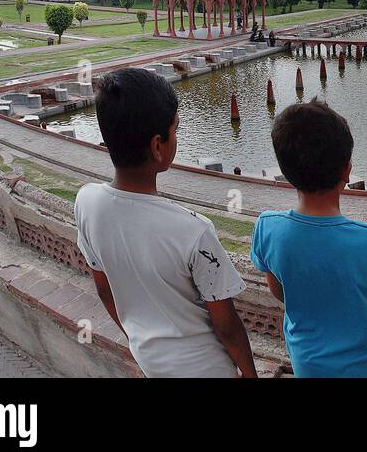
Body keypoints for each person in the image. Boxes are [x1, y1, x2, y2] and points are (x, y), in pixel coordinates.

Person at [74, 68, 256, 378]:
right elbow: (226, 327)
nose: (177, 137)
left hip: (150, 360)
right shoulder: (194, 231)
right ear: (158, 146)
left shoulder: (87, 202)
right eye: (176, 130)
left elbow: (104, 289)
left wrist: (139, 336)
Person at [249, 100, 367, 377]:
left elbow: (279, 292)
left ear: (285, 169)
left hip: (308, 363)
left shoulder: (267, 227)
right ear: (347, 170)